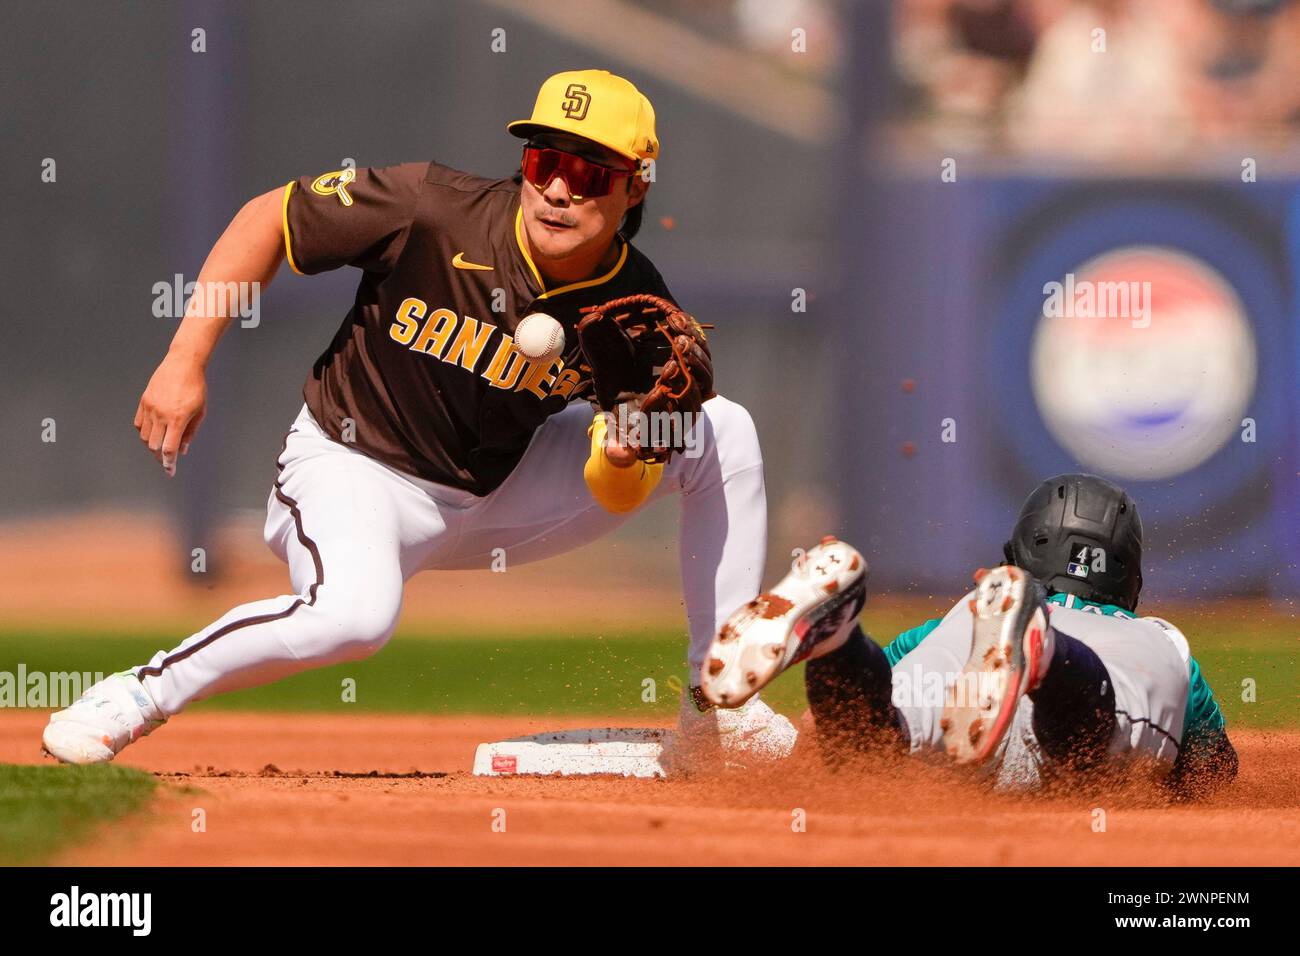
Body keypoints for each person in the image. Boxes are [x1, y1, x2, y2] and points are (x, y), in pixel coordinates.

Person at [43, 69, 795, 765]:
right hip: (354, 467)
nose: (559, 190)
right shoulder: (431, 208)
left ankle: (717, 704)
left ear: (635, 188)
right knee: (355, 620)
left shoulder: (639, 307)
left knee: (721, 429)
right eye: (543, 162)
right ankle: (141, 692)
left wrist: (629, 447)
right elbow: (269, 218)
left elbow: (616, 487)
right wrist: (185, 357)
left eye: (590, 172)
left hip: (496, 487)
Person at [699, 474, 1237, 797]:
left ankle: (838, 638)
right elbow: (1211, 770)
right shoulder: (1164, 644)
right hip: (1091, 667)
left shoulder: (959, 618)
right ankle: (1045, 655)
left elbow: (825, 727)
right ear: (1129, 576)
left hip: (971, 663)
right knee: (1093, 746)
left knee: (876, 747)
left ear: (1019, 556)